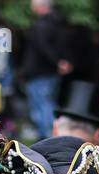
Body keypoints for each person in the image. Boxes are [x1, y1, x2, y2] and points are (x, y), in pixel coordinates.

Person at [22, 0, 69, 138]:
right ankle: (51, 135)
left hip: (40, 73)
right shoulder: (58, 24)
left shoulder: (41, 25)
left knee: (42, 106)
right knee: (48, 103)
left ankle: (48, 137)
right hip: (51, 73)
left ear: (41, 7)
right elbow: (61, 46)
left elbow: (43, 48)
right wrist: (62, 62)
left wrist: (57, 63)